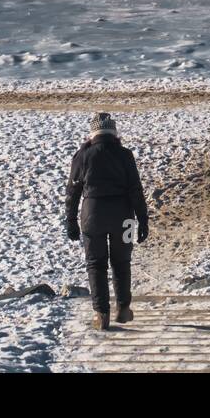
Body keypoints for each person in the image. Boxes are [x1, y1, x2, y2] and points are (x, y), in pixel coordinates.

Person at [65, 112, 150, 330]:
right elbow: (136, 190)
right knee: (122, 262)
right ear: (114, 132)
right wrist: (143, 219)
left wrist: (71, 220)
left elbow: (73, 191)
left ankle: (101, 314)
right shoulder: (125, 155)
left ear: (92, 134)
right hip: (124, 215)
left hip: (92, 215)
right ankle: (123, 308)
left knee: (96, 264)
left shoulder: (82, 156)